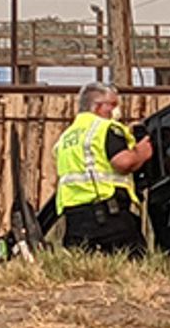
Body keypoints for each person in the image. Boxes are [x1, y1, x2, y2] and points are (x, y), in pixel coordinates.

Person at [53, 81, 153, 257]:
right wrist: (141, 153)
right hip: (108, 217)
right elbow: (123, 163)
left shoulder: (66, 137)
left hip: (74, 219)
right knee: (136, 265)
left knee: (83, 274)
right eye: (113, 105)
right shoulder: (105, 128)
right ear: (98, 106)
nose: (116, 111)